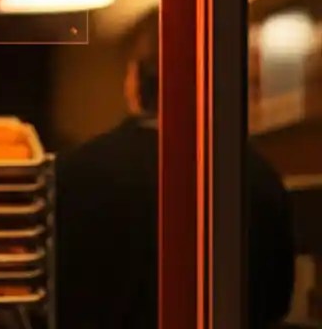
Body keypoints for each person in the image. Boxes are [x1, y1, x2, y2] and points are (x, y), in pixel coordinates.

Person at [56, 23, 296, 329]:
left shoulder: (77, 171)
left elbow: (56, 297)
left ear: (134, 83)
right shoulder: (257, 175)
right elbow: (277, 300)